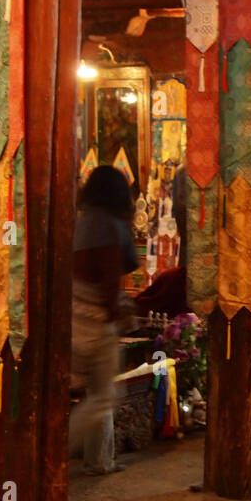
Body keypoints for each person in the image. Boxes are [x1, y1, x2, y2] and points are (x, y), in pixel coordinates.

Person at [70, 166, 139, 475]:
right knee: (106, 395)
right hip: (96, 316)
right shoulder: (109, 225)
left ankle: (99, 460)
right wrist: (115, 314)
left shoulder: (83, 220)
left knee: (98, 392)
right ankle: (58, 445)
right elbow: (110, 277)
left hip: (75, 311)